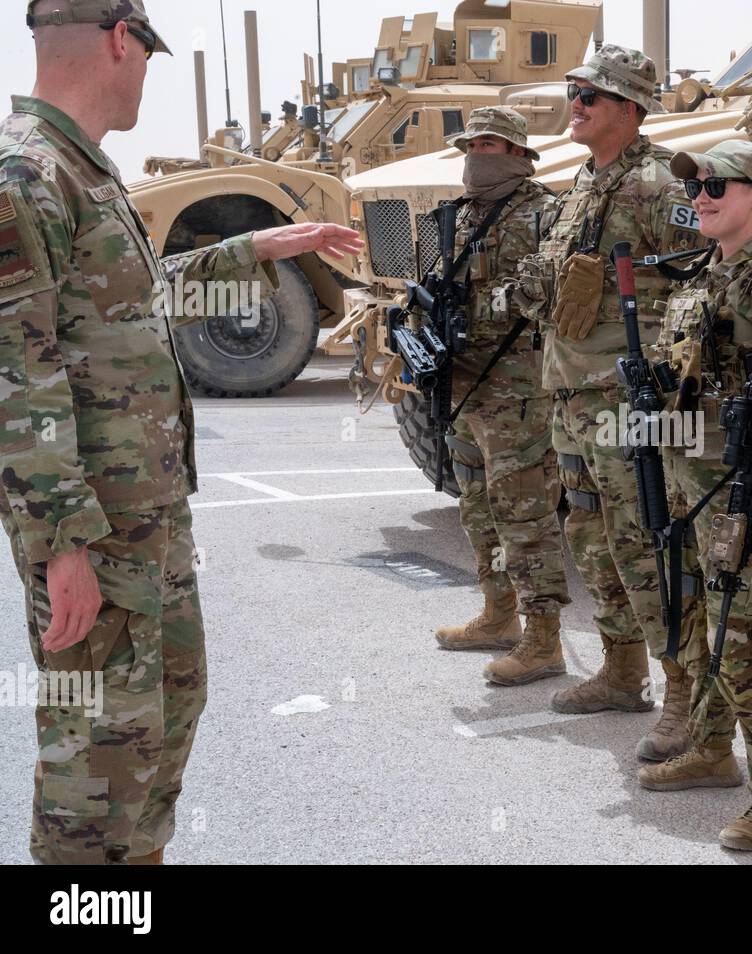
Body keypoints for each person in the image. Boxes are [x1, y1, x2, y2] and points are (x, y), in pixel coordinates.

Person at [0, 0, 364, 864]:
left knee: (165, 716)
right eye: (149, 55)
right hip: (95, 531)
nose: (147, 74)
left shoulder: (83, 172)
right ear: (120, 40)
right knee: (96, 759)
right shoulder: (27, 178)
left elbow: (128, 295)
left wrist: (258, 248)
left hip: (149, 516)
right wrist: (62, 547)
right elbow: (17, 376)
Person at [512, 44, 705, 761]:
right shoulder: (581, 188)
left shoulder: (659, 187)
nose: (576, 105)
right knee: (592, 543)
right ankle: (623, 669)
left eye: (590, 96)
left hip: (624, 401)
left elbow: (702, 285)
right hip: (569, 394)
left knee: (648, 546)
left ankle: (683, 692)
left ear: (629, 108)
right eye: (574, 92)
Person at [634, 141, 752, 851]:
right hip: (693, 482)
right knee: (706, 624)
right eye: (698, 186)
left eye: (718, 186)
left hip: (747, 491)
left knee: (747, 639)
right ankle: (711, 749)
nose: (701, 195)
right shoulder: (707, 272)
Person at [427, 106, 572, 687]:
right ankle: (498, 613)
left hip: (519, 389)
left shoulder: (547, 215)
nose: (477, 155)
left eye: (490, 144)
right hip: (463, 385)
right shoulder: (459, 216)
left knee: (526, 514)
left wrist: (480, 310)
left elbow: (552, 292)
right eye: (471, 144)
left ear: (517, 154)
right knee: (477, 506)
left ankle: (544, 640)